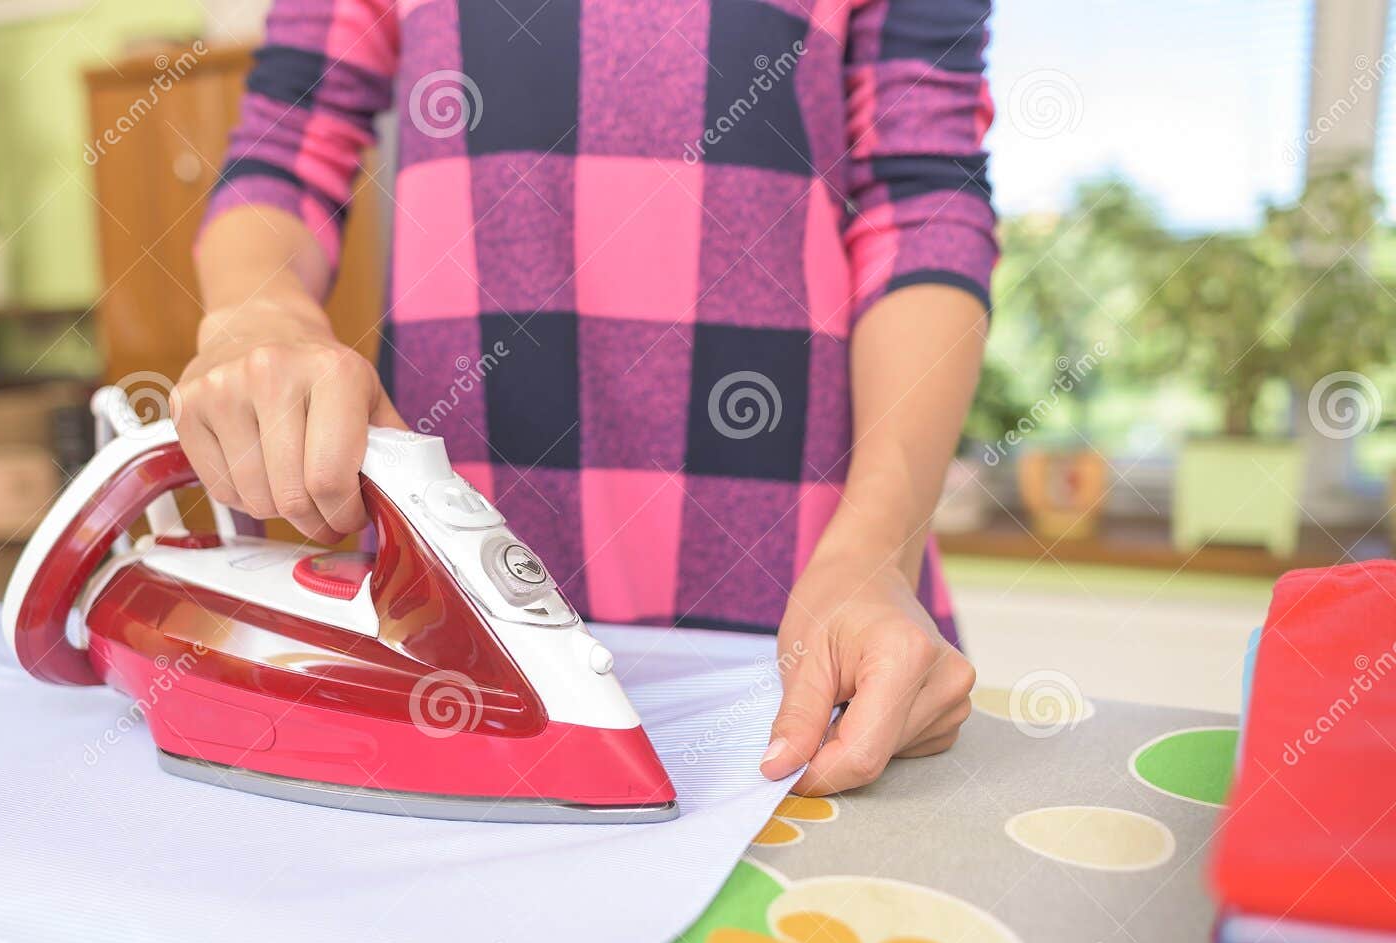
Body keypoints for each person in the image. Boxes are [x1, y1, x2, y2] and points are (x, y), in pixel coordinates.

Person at [182, 0, 995, 797]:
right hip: (457, 551)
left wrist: (874, 553)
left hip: (816, 568)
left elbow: (924, 198)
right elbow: (287, 143)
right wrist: (259, 314)